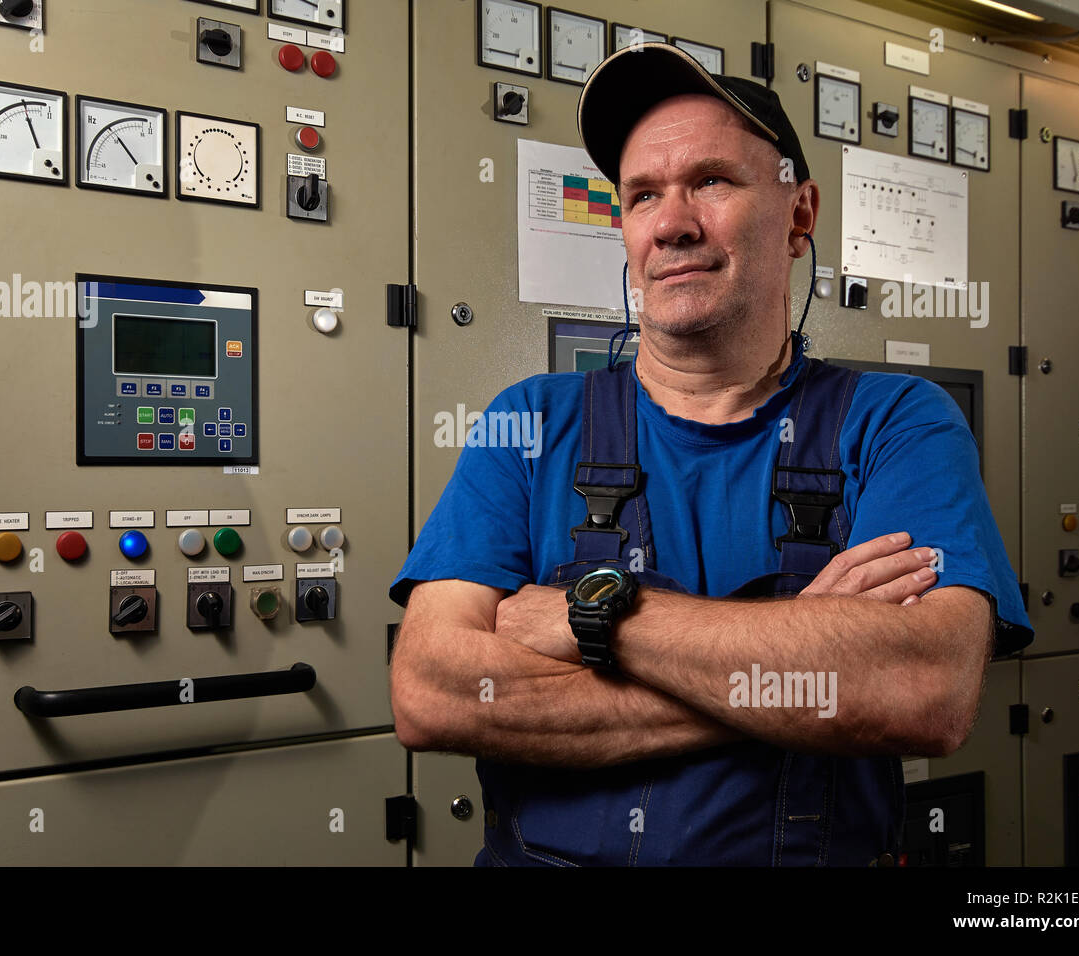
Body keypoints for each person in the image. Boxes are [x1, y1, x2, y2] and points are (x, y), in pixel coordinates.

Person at [387, 42, 1032, 866]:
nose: (673, 222)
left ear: (800, 213)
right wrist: (801, 656)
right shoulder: (529, 424)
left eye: (713, 182)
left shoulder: (899, 422)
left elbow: (921, 691)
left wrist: (590, 619)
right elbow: (434, 695)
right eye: (642, 195)